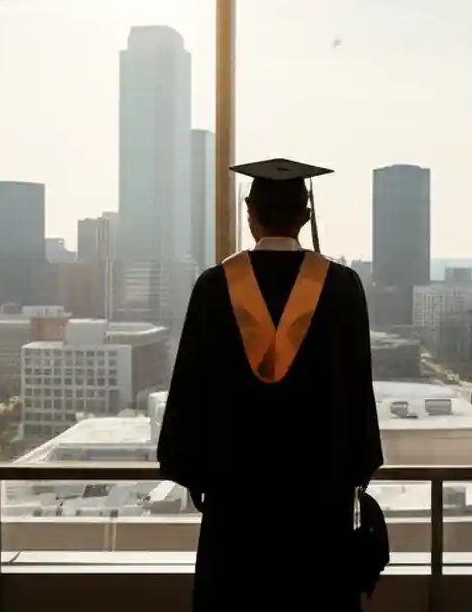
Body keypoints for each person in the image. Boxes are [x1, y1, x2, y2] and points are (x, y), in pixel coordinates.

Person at [157, 158, 384, 612]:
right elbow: (358, 391)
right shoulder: (341, 286)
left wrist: (196, 472)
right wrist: (354, 473)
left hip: (237, 510)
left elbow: (190, 391)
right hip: (319, 511)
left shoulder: (214, 286)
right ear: (306, 214)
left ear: (250, 212)